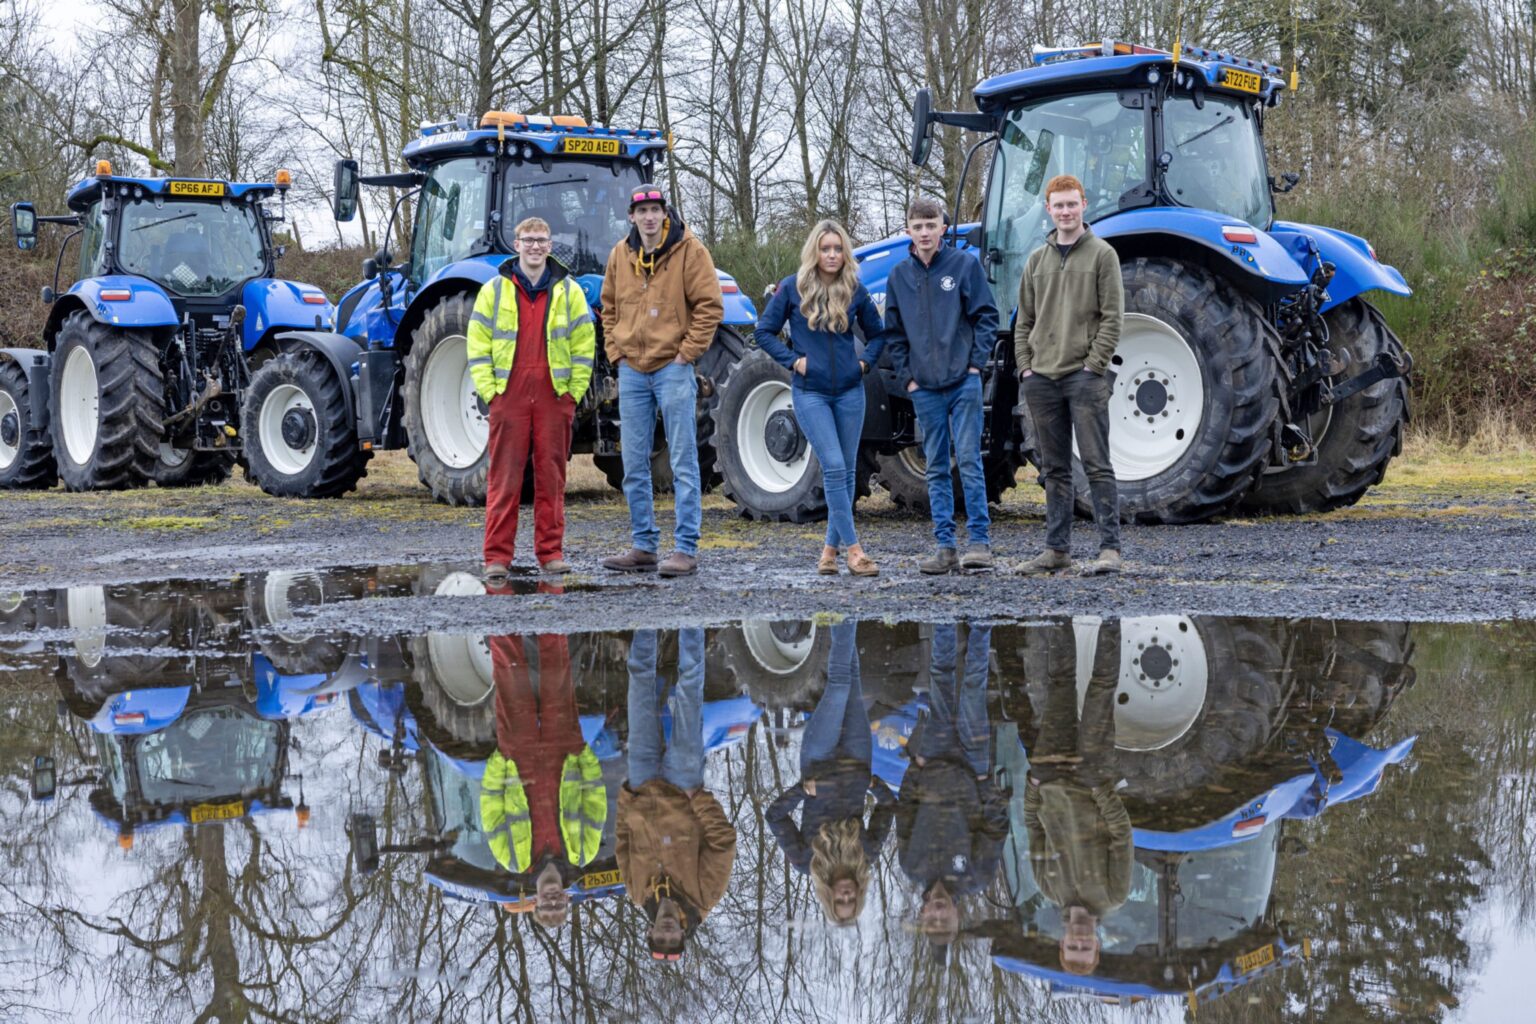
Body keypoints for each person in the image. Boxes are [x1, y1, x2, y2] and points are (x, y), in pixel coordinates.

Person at [599, 185, 725, 579]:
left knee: (683, 460)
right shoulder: (621, 254)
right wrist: (616, 354)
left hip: (673, 367)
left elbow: (710, 306)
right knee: (633, 462)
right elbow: (608, 307)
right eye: (642, 211)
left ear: (664, 213)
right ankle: (643, 546)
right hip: (632, 370)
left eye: (655, 209)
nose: (650, 217)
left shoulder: (690, 250)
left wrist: (686, 354)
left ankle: (685, 548)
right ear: (632, 216)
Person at [754, 220, 888, 575]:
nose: (831, 255)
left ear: (845, 253)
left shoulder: (854, 289)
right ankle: (855, 551)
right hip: (810, 392)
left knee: (844, 472)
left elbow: (877, 336)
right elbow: (763, 331)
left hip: (849, 392)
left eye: (837, 248)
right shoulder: (792, 288)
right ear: (814, 251)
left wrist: (863, 365)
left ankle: (829, 552)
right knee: (833, 466)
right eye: (825, 248)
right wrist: (794, 361)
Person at [468, 216, 596, 581]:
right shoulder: (494, 290)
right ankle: (496, 557)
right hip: (509, 394)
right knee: (503, 478)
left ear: (551, 246)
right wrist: (491, 392)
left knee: (551, 478)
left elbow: (585, 345)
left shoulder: (569, 292)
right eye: (529, 239)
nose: (535, 246)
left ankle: (551, 553)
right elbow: (477, 343)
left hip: (554, 394)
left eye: (541, 239)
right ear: (516, 243)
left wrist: (573, 393)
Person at [1014, 174, 1125, 577]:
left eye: (1072, 204)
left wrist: (1093, 365)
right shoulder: (1036, 261)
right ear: (1049, 209)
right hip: (1041, 379)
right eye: (1058, 205)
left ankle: (1109, 549)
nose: (1065, 211)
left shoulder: (1102, 255)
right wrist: (1026, 366)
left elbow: (1113, 318)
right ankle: (1056, 550)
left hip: (1084, 377)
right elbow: (1023, 320)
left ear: (1084, 204)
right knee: (1054, 469)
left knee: (1097, 464)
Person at [884, 198, 1001, 574]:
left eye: (930, 225)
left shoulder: (964, 266)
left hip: (962, 383)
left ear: (942, 227)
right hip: (925, 390)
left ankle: (980, 542)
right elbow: (894, 334)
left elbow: (986, 318)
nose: (924, 232)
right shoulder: (899, 276)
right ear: (908, 231)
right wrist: (909, 379)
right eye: (917, 226)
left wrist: (974, 367)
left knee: (968, 460)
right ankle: (945, 546)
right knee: (935, 466)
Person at [616, 628, 737, 960]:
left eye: (660, 940)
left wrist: (628, 795)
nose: (667, 935)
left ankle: (647, 622)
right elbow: (723, 842)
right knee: (688, 693)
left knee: (639, 685)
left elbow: (623, 841)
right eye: (674, 941)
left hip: (642, 785)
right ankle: (691, 623)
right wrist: (695, 797)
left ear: (650, 932)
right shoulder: (704, 896)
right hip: (683, 785)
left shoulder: (638, 892)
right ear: (682, 933)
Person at [765, 621, 896, 925]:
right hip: (856, 758)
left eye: (841, 900)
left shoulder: (805, 861)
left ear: (830, 896)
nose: (846, 895)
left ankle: (844, 611)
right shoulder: (868, 854)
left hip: (819, 760)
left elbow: (774, 816)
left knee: (838, 687)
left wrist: (801, 790)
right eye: (851, 899)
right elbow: (890, 806)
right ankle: (845, 616)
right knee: (852, 678)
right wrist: (874, 785)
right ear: (858, 894)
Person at [1022, 619, 1132, 975]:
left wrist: (1033, 785)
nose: (1080, 941)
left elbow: (1033, 829)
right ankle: (1111, 616)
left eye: (1074, 946)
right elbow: (1121, 835)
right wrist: (1099, 789)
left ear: (1063, 941)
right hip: (1090, 778)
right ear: (1097, 944)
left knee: (1059, 687)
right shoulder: (1113, 896)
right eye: (1087, 947)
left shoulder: (1048, 888)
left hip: (1051, 777)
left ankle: (1062, 610)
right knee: (1101, 690)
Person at [478, 631, 607, 930]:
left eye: (545, 907)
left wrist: (502, 760)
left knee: (510, 680)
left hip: (518, 756)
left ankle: (500, 594)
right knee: (557, 677)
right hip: (563, 754)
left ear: (535, 900)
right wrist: (583, 755)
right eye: (558, 906)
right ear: (565, 898)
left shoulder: (512, 857)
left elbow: (490, 806)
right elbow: (596, 799)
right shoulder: (582, 853)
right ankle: (550, 591)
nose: (552, 901)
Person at [895, 623, 1009, 946]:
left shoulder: (911, 866)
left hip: (932, 759)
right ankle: (982, 622)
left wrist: (915, 770)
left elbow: (904, 812)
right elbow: (997, 828)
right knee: (974, 686)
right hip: (973, 768)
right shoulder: (976, 876)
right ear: (958, 919)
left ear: (923, 913)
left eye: (933, 921)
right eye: (945, 923)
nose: (939, 915)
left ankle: (943, 617)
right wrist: (986, 784)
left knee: (940, 677)